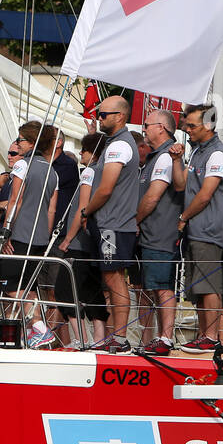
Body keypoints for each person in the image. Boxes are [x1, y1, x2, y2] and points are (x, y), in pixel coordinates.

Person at [82, 95, 141, 352]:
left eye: (103, 114)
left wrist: (86, 211)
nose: (99, 118)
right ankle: (115, 336)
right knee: (110, 279)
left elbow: (105, 189)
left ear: (120, 117)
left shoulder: (120, 146)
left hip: (113, 224)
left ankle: (120, 338)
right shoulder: (113, 143)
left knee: (115, 279)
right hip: (109, 222)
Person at [175, 104, 223, 353]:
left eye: (192, 126)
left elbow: (206, 194)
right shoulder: (198, 151)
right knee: (198, 286)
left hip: (209, 229)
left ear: (208, 126)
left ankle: (211, 336)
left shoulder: (217, 154)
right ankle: (204, 334)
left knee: (208, 284)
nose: (187, 130)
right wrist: (176, 160)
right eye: (186, 125)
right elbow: (181, 185)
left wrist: (183, 217)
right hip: (196, 230)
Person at [0, 122, 58, 348]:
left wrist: (7, 231)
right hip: (40, 238)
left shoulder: (22, 165)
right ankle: (35, 331)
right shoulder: (52, 172)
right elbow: (51, 210)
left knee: (11, 285)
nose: (17, 144)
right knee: (29, 287)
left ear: (32, 143)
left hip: (20, 234)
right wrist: (45, 236)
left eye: (20, 140)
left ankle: (39, 326)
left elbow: (16, 199)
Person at [133, 110, 183, 355]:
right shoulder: (156, 157)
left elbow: (153, 197)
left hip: (160, 233)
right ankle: (155, 338)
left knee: (163, 286)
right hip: (151, 233)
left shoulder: (165, 157)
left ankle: (166, 337)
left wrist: (135, 221)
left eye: (147, 124)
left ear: (161, 127)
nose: (144, 129)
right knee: (152, 287)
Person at [57, 132, 109, 347]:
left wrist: (67, 239)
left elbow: (83, 207)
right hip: (94, 241)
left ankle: (81, 338)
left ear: (93, 152)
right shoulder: (106, 172)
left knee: (64, 290)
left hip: (78, 241)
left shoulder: (89, 172)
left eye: (84, 150)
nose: (80, 154)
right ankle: (99, 338)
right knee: (91, 288)